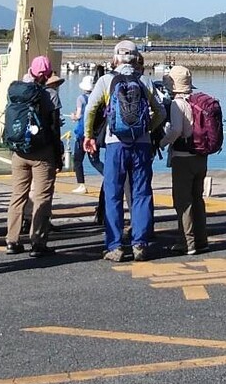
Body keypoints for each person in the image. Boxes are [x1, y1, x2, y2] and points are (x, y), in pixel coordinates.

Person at [83, 40, 164, 261]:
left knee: (114, 195)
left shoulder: (106, 80)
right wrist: (147, 128)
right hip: (142, 144)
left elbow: (91, 109)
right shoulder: (145, 81)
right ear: (137, 58)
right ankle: (140, 243)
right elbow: (161, 112)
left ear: (116, 58)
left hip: (115, 143)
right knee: (141, 193)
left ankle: (115, 246)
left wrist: (89, 135)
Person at [4, 56, 64, 257]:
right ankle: (37, 242)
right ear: (45, 74)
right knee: (42, 196)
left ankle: (12, 241)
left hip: (19, 150)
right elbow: (54, 128)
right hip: (42, 153)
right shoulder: (50, 94)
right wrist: (59, 154)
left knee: (17, 195)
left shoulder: (15, 90)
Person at [162, 66, 211, 255]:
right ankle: (201, 240)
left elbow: (176, 130)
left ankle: (187, 242)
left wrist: (161, 142)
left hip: (183, 157)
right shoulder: (198, 101)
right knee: (197, 199)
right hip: (201, 156)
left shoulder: (177, 104)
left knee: (183, 201)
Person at [69, 76, 95, 193]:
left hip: (81, 132)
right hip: (93, 132)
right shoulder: (95, 97)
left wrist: (73, 117)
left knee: (78, 160)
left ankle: (81, 185)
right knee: (94, 160)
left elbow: (79, 115)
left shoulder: (81, 98)